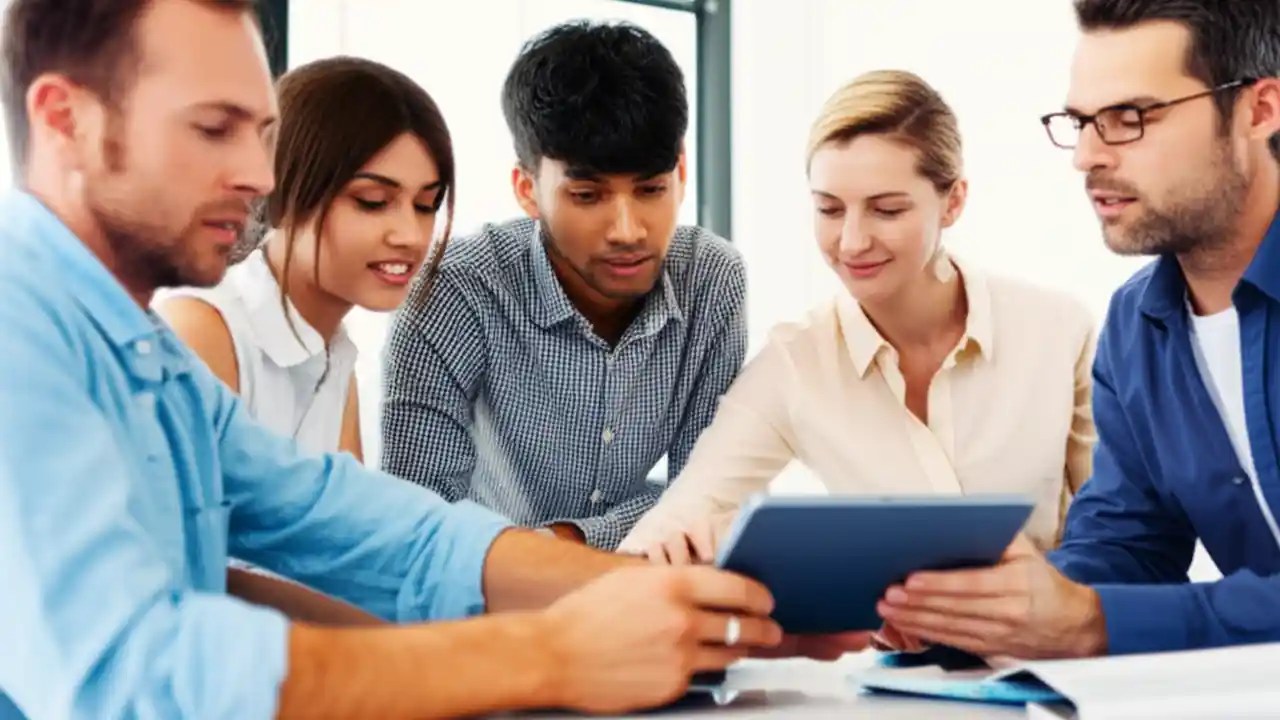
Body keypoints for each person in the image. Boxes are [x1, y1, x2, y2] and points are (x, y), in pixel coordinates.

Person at [0, 2, 866, 718]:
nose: (259, 177)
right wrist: (551, 652)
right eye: (214, 129)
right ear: (64, 120)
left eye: (261, 134)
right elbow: (125, 670)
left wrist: (706, 613)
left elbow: (374, 527)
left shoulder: (147, 357)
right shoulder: (18, 325)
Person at [877, 0, 1280, 659]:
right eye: (1081, 122)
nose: (1087, 157)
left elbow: (1097, 613)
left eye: (1130, 119)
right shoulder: (1136, 326)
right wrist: (985, 607)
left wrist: (1093, 621)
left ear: (1258, 110)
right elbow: (1128, 545)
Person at [619, 70, 1097, 563]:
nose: (851, 242)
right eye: (829, 210)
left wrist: (1039, 593)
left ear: (953, 201)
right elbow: (680, 516)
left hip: (1062, 634)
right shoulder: (795, 365)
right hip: (903, 638)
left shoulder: (1057, 331)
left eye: (886, 210)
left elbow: (1119, 532)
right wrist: (674, 549)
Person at [379, 20, 747, 551]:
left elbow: (708, 502)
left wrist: (567, 541)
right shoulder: (455, 290)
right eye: (587, 196)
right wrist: (561, 553)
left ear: (682, 173)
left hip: (639, 595)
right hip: (478, 601)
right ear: (527, 190)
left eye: (651, 189)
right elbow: (417, 518)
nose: (628, 230)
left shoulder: (712, 280)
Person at [158, 55, 455, 462]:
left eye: (426, 205)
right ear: (284, 191)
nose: (410, 235)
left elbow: (351, 524)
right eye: (372, 202)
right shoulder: (203, 333)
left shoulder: (334, 358)